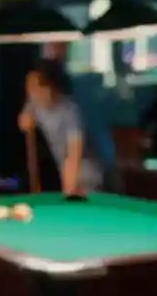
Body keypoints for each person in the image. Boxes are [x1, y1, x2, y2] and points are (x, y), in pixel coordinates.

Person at [18, 59, 104, 196]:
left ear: (51, 87)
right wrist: (25, 119)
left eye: (37, 88)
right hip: (60, 169)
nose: (32, 94)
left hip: (84, 175)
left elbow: (74, 153)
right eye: (29, 89)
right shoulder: (34, 103)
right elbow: (24, 119)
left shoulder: (70, 112)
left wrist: (69, 186)